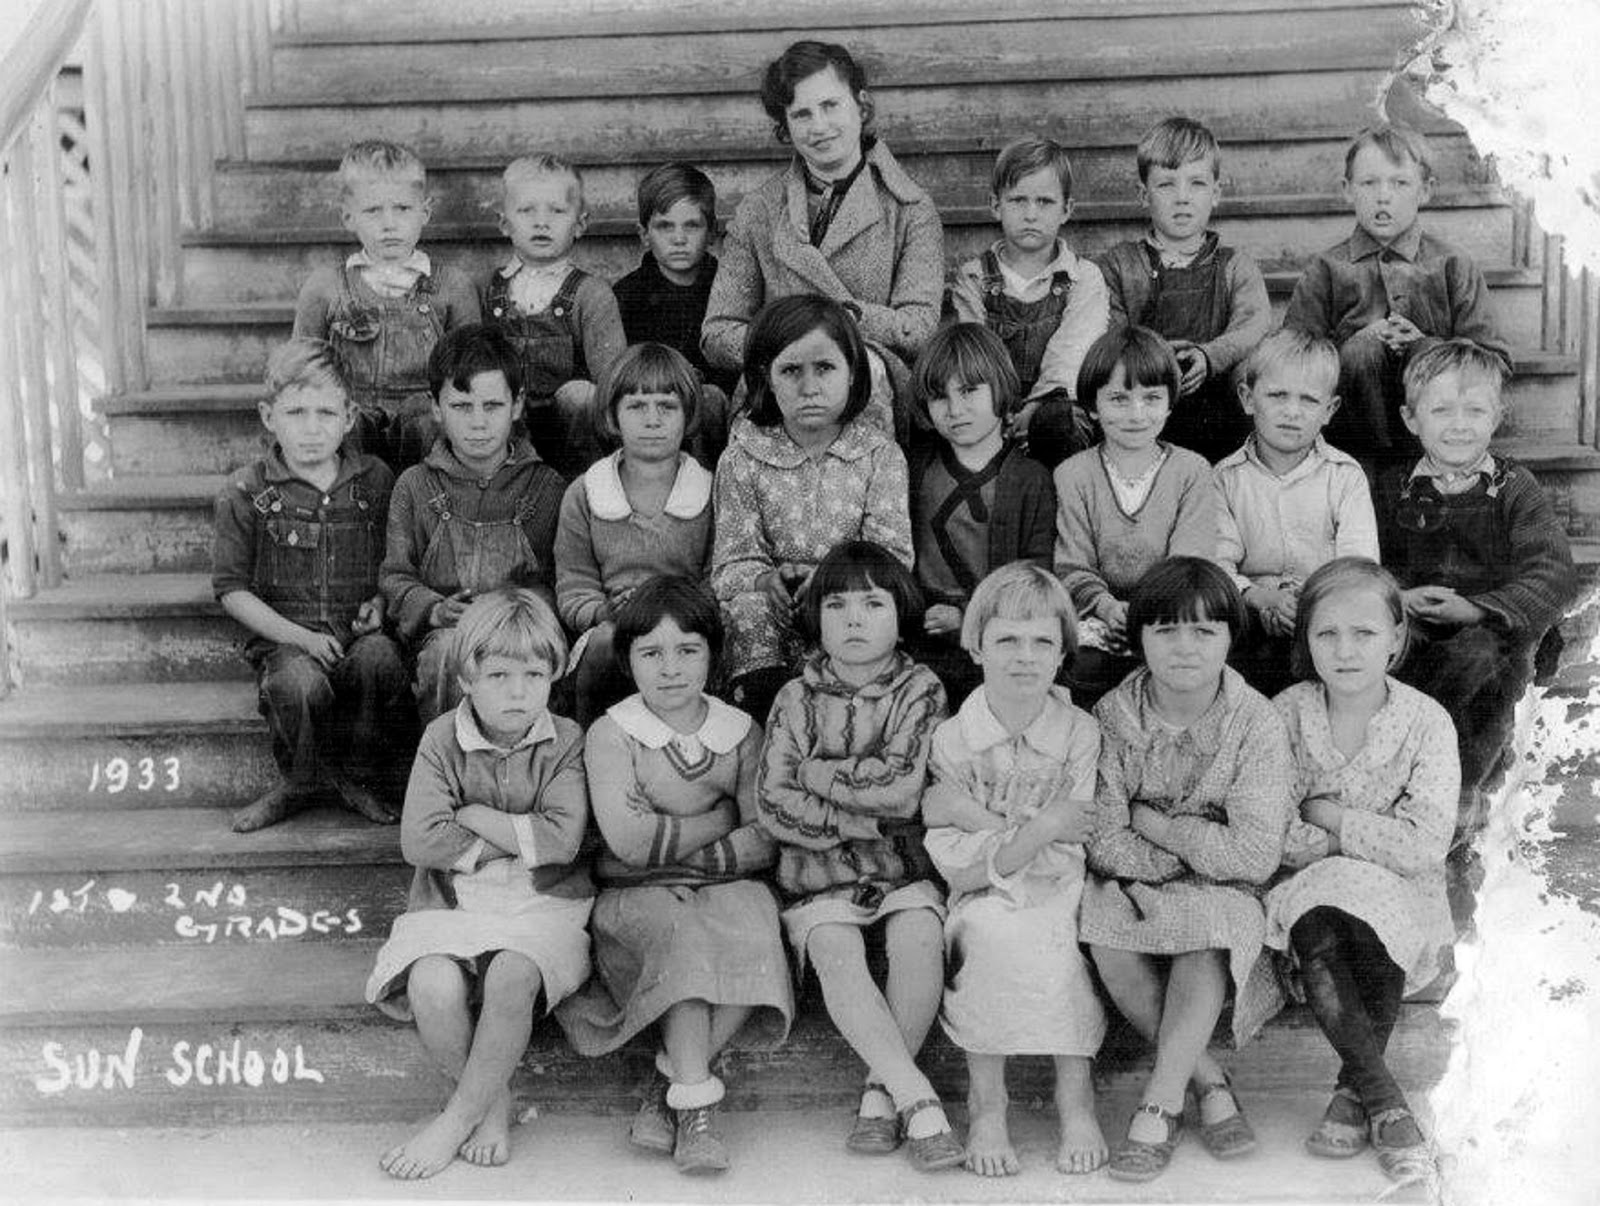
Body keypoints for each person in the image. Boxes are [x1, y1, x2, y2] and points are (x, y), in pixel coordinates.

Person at [556, 578, 792, 1174]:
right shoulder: (613, 733)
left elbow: (764, 835)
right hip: (635, 893)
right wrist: (719, 817)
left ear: (712, 655)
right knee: (680, 938)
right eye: (651, 653)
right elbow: (629, 844)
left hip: (726, 884)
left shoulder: (739, 731)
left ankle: (668, 1090)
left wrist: (700, 853)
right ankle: (697, 1110)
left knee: (757, 931)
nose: (670, 669)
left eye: (688, 650)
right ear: (628, 659)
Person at [365, 588, 592, 1180]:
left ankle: (453, 1119)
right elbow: (420, 840)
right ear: (466, 677)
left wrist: (473, 817)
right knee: (433, 984)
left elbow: (564, 840)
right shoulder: (442, 738)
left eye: (534, 673)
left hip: (546, 899)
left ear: (553, 675)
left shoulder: (565, 739)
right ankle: (490, 1104)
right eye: (498, 674)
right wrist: (521, 835)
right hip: (452, 899)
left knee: (513, 973)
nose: (518, 691)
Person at [1081, 557, 1294, 1183]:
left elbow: (1255, 854)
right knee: (1105, 936)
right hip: (1134, 881)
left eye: (1205, 632)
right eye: (1166, 630)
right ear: (1140, 635)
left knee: (1205, 932)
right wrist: (1181, 854)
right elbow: (1102, 839)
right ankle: (1207, 1077)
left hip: (1226, 888)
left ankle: (1160, 1102)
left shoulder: (1256, 722)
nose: (1184, 647)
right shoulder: (1112, 718)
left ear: (1231, 637)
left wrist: (1164, 829)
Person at [756, 540, 963, 1172]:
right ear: (815, 616)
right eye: (837, 604)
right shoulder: (795, 696)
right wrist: (863, 814)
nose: (853, 619)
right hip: (818, 881)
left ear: (900, 614)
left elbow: (905, 787)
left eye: (872, 604)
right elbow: (773, 803)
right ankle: (916, 1097)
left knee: (919, 933)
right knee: (834, 948)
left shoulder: (921, 689)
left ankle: (881, 1091)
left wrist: (817, 772)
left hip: (902, 872)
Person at [1264, 557, 1457, 1185]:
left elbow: (1424, 844)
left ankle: (1355, 1096)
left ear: (1397, 637)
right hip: (1310, 886)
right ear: (1307, 640)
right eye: (1327, 634)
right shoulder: (1286, 715)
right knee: (1320, 919)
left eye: (1365, 634)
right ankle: (1385, 1101)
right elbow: (1275, 831)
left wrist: (1336, 818)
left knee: (1375, 923)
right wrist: (1350, 841)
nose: (1345, 651)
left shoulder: (1427, 722)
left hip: (1402, 891)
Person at [922, 563, 1107, 1177]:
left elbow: (1073, 837)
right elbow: (959, 868)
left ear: (1062, 655)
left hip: (1061, 885)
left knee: (1060, 939)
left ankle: (1074, 1095)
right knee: (988, 934)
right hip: (982, 892)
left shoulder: (1081, 732)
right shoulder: (952, 740)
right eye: (1006, 640)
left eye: (1041, 643)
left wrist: (993, 824)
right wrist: (1039, 826)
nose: (1024, 657)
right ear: (976, 647)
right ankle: (987, 1101)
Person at [1373, 339, 1577, 840]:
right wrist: (1397, 598)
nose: (1459, 424)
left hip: (1496, 631)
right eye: (1441, 410)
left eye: (1474, 410)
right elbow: (1367, 561)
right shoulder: (1392, 485)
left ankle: (1460, 790)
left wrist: (1477, 608)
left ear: (1497, 417)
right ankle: (1395, 774)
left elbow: (1551, 572)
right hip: (1414, 625)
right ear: (1410, 418)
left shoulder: (1514, 487)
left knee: (1479, 662)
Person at [701, 40, 944, 438]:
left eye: (831, 106)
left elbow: (918, 328)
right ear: (785, 126)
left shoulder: (910, 208)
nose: (819, 127)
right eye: (802, 114)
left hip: (873, 384)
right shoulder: (759, 211)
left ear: (861, 106)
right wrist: (787, 344)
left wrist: (842, 325)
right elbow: (717, 333)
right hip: (776, 382)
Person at [212, 338, 406, 832]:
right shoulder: (246, 491)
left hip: (357, 638)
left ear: (350, 416)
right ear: (268, 416)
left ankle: (356, 776)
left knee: (382, 660)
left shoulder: (377, 481)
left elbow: (396, 563)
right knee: (296, 683)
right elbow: (232, 589)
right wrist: (299, 638)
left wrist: (380, 604)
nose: (312, 428)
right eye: (296, 412)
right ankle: (299, 781)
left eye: (326, 412)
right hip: (288, 643)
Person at [712, 295, 911, 721]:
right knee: (747, 608)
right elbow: (730, 564)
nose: (809, 387)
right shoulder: (743, 455)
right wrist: (768, 580)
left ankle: (848, 722)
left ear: (852, 373)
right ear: (766, 377)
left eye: (824, 368)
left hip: (850, 602)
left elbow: (891, 556)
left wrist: (829, 579)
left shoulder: (879, 454)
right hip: (773, 619)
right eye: (791, 371)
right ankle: (765, 726)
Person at [1284, 122, 1510, 469]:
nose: (1383, 195)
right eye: (1369, 183)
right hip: (1353, 435)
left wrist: (1427, 346)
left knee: (1429, 352)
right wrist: (1354, 344)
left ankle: (1422, 469)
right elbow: (1294, 358)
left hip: (1439, 432)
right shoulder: (1326, 268)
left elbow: (1495, 362)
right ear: (1347, 190)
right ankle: (1374, 470)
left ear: (1425, 190)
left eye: (1400, 183)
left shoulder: (1453, 264)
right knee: (1361, 351)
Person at [381, 325, 567, 727]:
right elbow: (396, 577)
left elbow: (557, 583)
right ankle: (449, 771)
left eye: (492, 406)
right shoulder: (414, 486)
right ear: (435, 407)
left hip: (522, 635)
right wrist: (433, 609)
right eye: (462, 407)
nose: (478, 423)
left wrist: (510, 612)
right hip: (442, 638)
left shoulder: (546, 487)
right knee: (450, 651)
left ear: (517, 405)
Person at [1053, 327, 1218, 710]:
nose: (1136, 414)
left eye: (1151, 398)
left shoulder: (1191, 471)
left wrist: (1148, 614)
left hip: (1173, 613)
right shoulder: (1073, 474)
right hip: (1100, 614)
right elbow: (1072, 565)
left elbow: (1190, 564)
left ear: (1170, 402)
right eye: (1118, 399)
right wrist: (1108, 607)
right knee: (1085, 665)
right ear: (1093, 406)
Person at [292, 140, 481, 470]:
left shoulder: (453, 287)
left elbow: (472, 373)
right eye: (373, 211)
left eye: (403, 209)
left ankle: (426, 507)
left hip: (423, 418)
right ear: (348, 217)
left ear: (425, 212)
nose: (389, 223)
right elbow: (301, 372)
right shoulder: (325, 288)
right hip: (355, 415)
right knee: (340, 421)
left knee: (428, 421)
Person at [554, 343, 715, 726]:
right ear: (613, 415)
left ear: (688, 414)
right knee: (605, 643)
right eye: (637, 406)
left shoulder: (711, 491)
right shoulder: (586, 492)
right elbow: (574, 587)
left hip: (689, 624)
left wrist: (679, 612)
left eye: (667, 406)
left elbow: (717, 578)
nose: (653, 420)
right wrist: (603, 611)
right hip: (611, 631)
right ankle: (590, 746)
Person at [1095, 117, 1270, 463]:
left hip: (1220, 412)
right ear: (1144, 195)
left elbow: (1253, 325)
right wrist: (1156, 362)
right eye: (1166, 185)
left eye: (1197, 183)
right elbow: (1110, 337)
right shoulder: (1120, 265)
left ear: (1216, 194)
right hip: (1144, 405)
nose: (1182, 198)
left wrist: (1208, 356)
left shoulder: (1236, 265)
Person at [1215, 328, 1378, 697]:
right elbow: (1218, 564)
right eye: (1277, 395)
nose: (1292, 411)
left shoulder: (1345, 476)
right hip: (1251, 613)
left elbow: (1359, 565)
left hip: (1326, 610)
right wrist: (1262, 598)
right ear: (1247, 398)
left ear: (1329, 411)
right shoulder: (1224, 479)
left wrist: (1308, 603)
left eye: (1308, 400)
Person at [907, 323, 1057, 702]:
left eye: (970, 390)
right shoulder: (915, 466)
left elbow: (1034, 574)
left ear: (1000, 388)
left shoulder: (1031, 478)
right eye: (940, 397)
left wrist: (971, 618)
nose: (955, 410)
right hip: (921, 629)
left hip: (997, 633)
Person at [947, 136, 1108, 468]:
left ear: (1067, 209)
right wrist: (1002, 413)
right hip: (991, 406)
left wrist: (1035, 409)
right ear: (996, 206)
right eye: (1018, 200)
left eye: (1045, 202)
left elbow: (1070, 357)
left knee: (1060, 421)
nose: (1031, 214)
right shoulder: (975, 277)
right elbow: (976, 353)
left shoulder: (1083, 278)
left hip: (1056, 409)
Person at [481, 154, 627, 477]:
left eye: (557, 211)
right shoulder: (486, 289)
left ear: (580, 224)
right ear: (504, 222)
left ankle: (586, 493)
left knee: (581, 397)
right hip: (504, 424)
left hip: (570, 432)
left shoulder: (591, 293)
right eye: (526, 210)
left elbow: (612, 381)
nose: (541, 222)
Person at [611, 162, 736, 463]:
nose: (678, 238)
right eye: (665, 226)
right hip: (649, 409)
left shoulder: (729, 290)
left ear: (712, 232)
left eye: (691, 225)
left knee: (708, 399)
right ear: (643, 233)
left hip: (711, 419)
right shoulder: (626, 295)